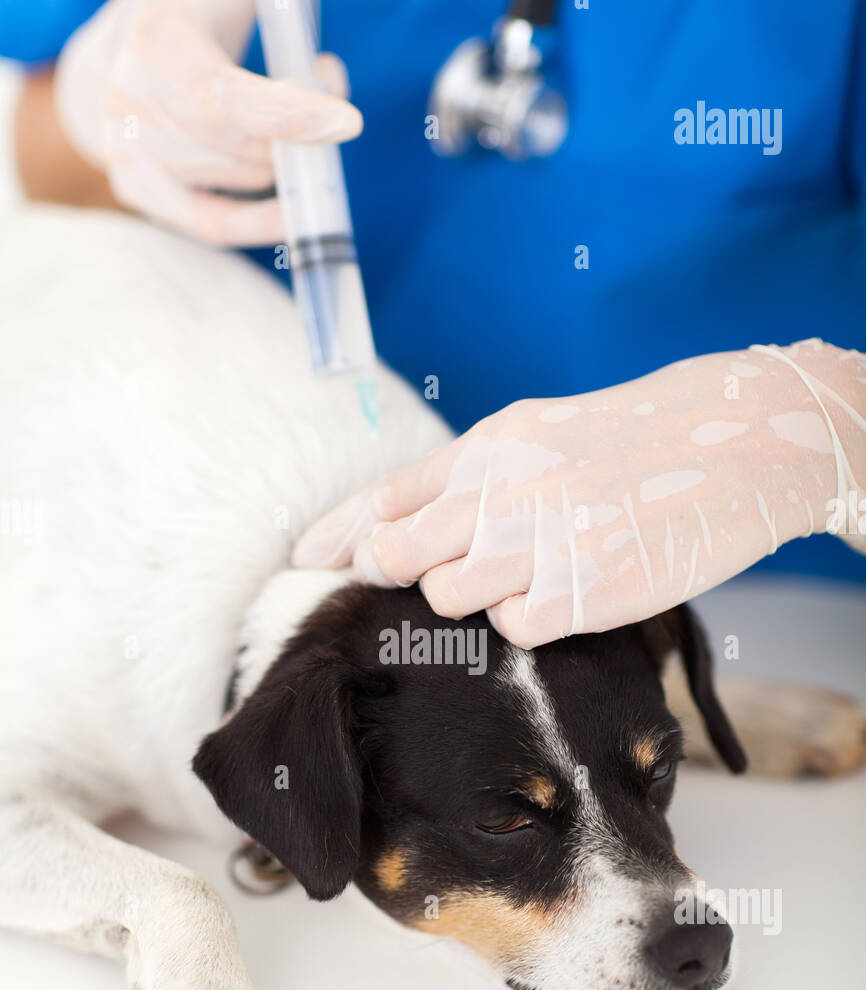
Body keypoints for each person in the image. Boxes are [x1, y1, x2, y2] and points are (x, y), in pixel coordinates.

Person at [4, 0, 865, 644]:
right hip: (217, 566)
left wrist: (817, 423)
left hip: (766, 613)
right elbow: (52, 162)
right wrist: (108, 102)